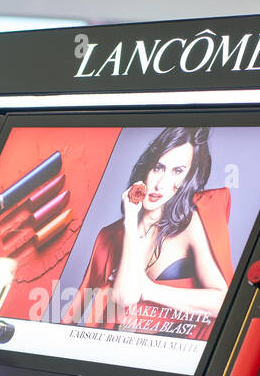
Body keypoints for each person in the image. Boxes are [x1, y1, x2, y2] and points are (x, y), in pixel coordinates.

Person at [63, 126, 230, 337]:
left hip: (170, 355)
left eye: (177, 171)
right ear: (146, 168)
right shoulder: (110, 236)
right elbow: (124, 298)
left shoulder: (190, 223)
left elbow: (221, 301)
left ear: (187, 178)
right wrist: (131, 221)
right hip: (115, 350)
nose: (161, 184)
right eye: (158, 168)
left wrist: (148, 289)